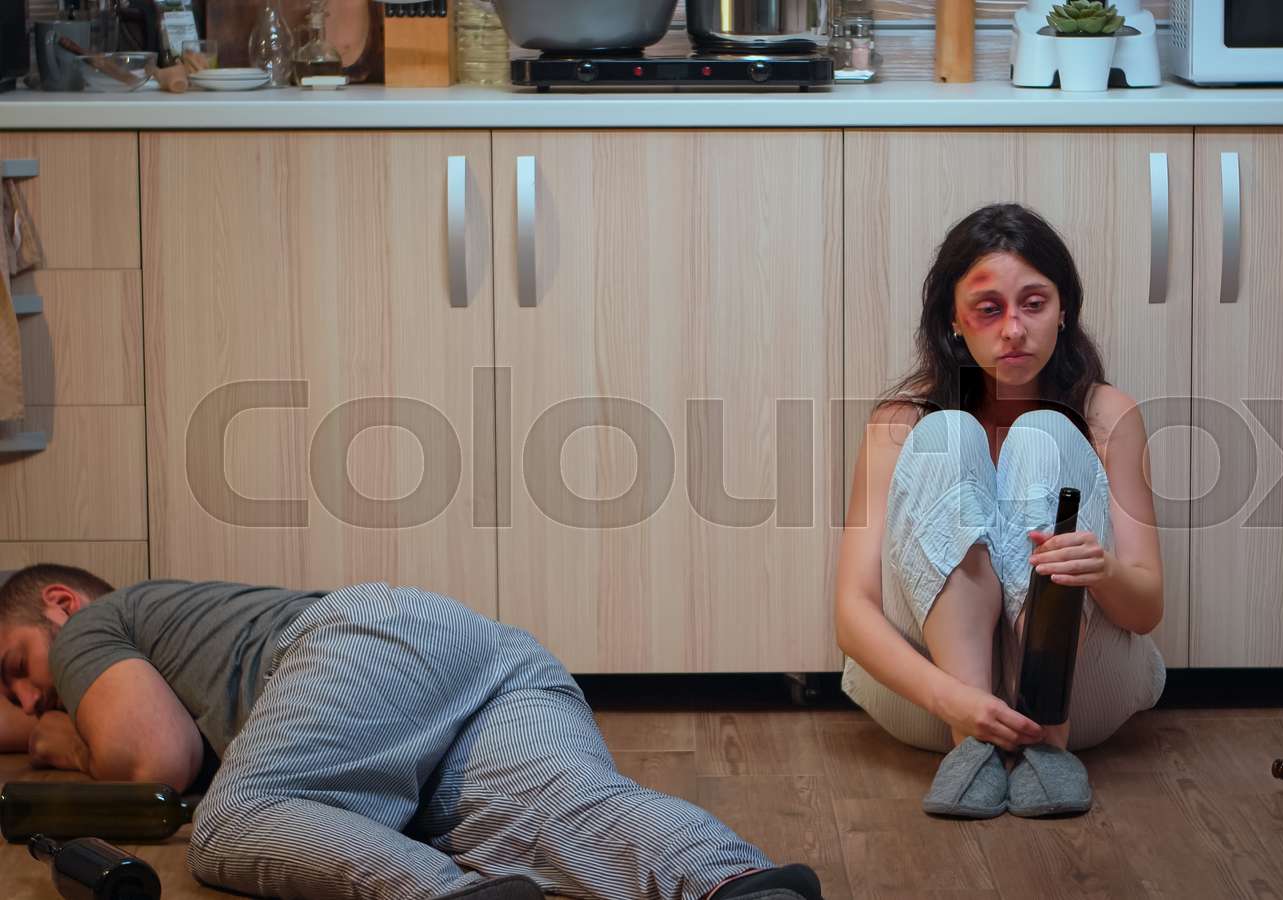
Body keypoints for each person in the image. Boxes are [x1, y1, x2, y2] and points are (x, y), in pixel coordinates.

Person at [0, 564, 825, 900]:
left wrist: (51, 742)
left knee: (228, 826)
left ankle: (446, 898)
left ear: (61, 604)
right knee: (564, 809)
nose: (30, 697)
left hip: (365, 643)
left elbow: (154, 760)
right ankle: (735, 883)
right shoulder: (165, 632)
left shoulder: (92, 626)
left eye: (17, 668)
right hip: (481, 661)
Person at [833, 203, 1168, 820]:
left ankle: (1045, 745)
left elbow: (1146, 608)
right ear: (955, 321)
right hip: (935, 703)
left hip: (1074, 700)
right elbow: (852, 615)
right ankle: (976, 747)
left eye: (1034, 303)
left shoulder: (1108, 415)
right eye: (990, 309)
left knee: (1047, 432)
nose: (1013, 329)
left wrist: (1102, 569)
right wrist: (956, 701)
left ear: (1064, 310)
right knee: (946, 433)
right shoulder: (899, 425)